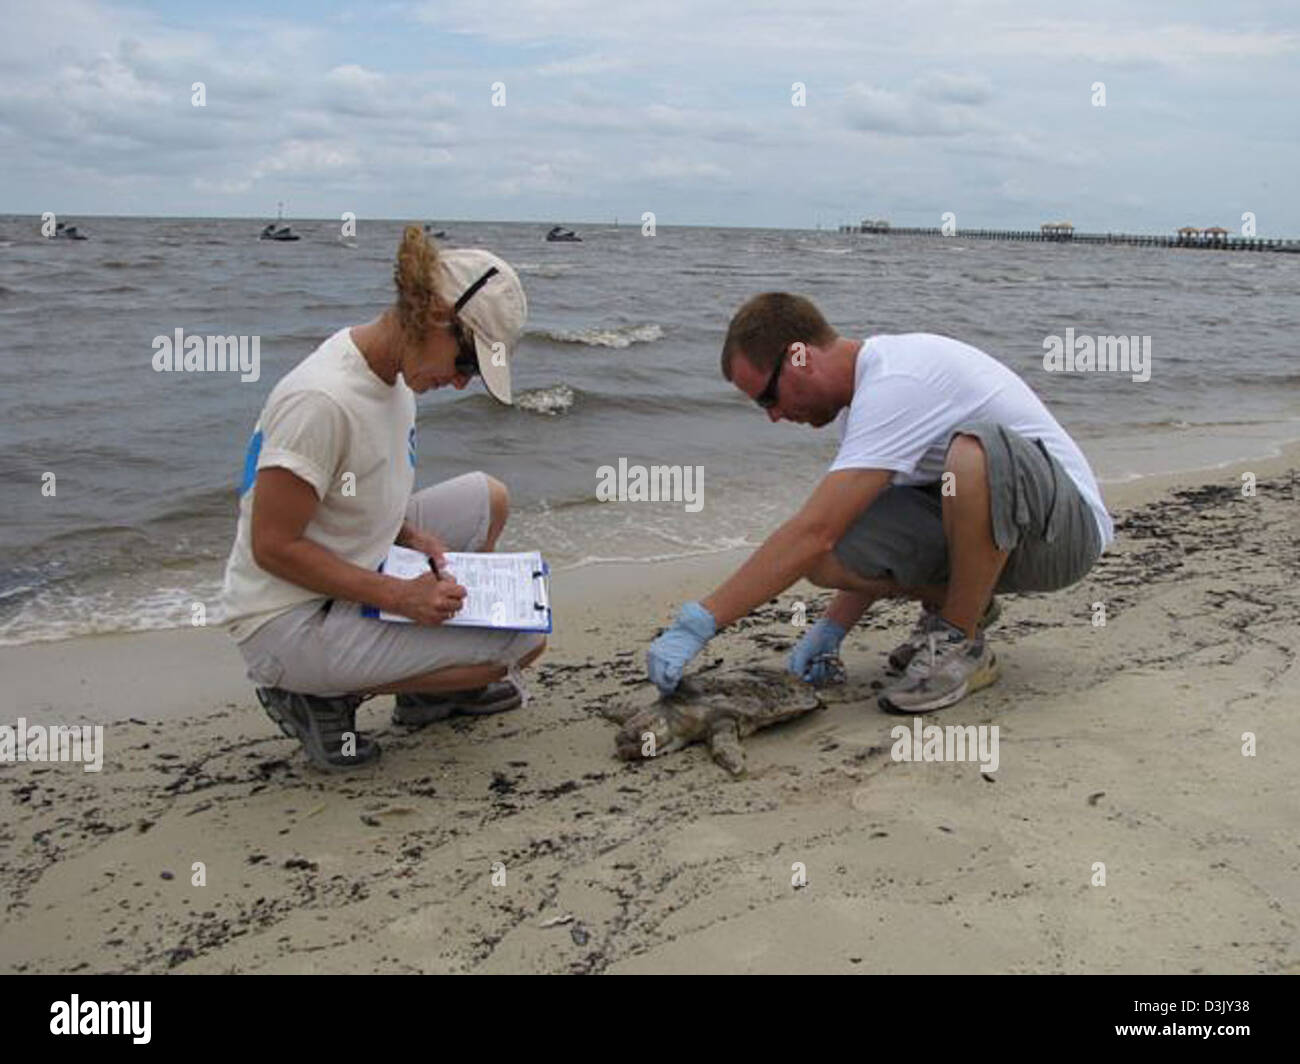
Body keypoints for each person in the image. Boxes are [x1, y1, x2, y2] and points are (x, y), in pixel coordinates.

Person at [646, 292, 1113, 713]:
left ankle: (958, 639)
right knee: (833, 554)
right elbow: (833, 540)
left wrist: (699, 622)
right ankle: (963, 608)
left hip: (1065, 533)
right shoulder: (862, 411)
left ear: (800, 357)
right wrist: (831, 633)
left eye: (769, 396)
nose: (773, 416)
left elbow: (812, 530)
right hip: (1003, 535)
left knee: (971, 457)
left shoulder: (899, 378)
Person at [221, 226, 546, 771]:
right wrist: (401, 598)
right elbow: (272, 547)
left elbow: (351, 491)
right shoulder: (321, 400)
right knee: (515, 646)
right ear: (437, 318)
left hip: (350, 564)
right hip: (286, 621)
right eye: (466, 363)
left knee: (488, 498)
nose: (463, 383)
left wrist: (407, 535)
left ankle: (429, 695)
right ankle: (312, 696)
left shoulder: (391, 376)